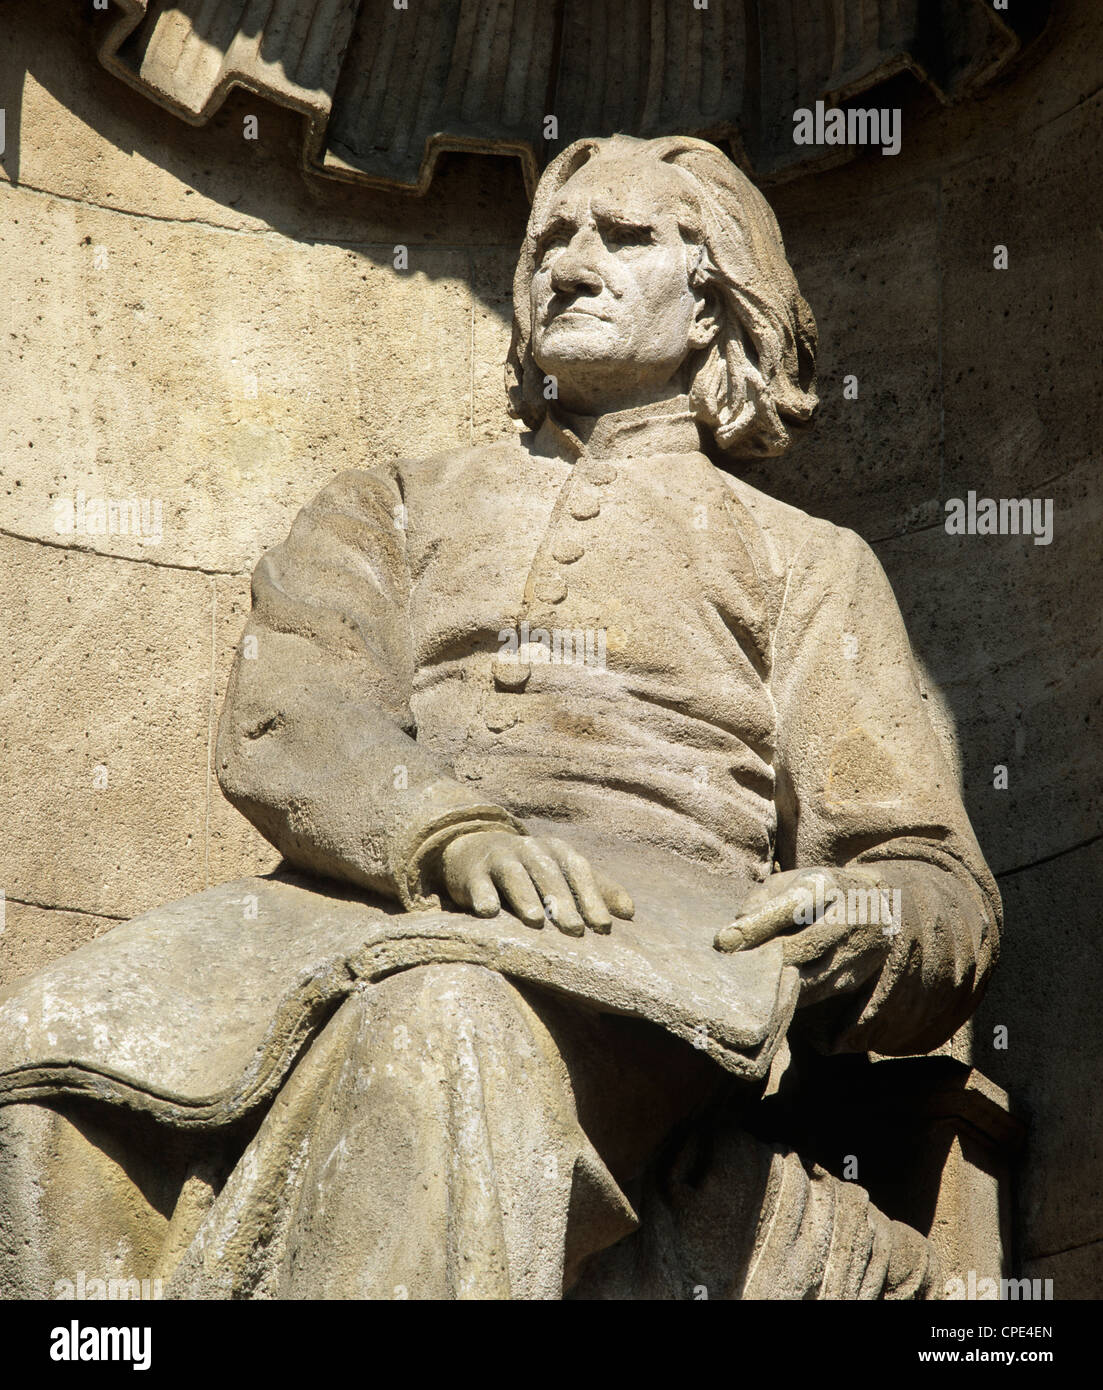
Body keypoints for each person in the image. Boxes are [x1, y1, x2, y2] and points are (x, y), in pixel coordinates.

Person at [0, 135, 999, 1300]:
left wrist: (861, 923)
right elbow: (294, 709)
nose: (570, 265)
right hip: (357, 913)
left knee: (441, 1029)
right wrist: (443, 830)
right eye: (551, 241)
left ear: (713, 301)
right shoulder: (397, 500)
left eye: (622, 238)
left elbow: (933, 880)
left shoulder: (806, 561)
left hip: (642, 961)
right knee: (52, 1066)